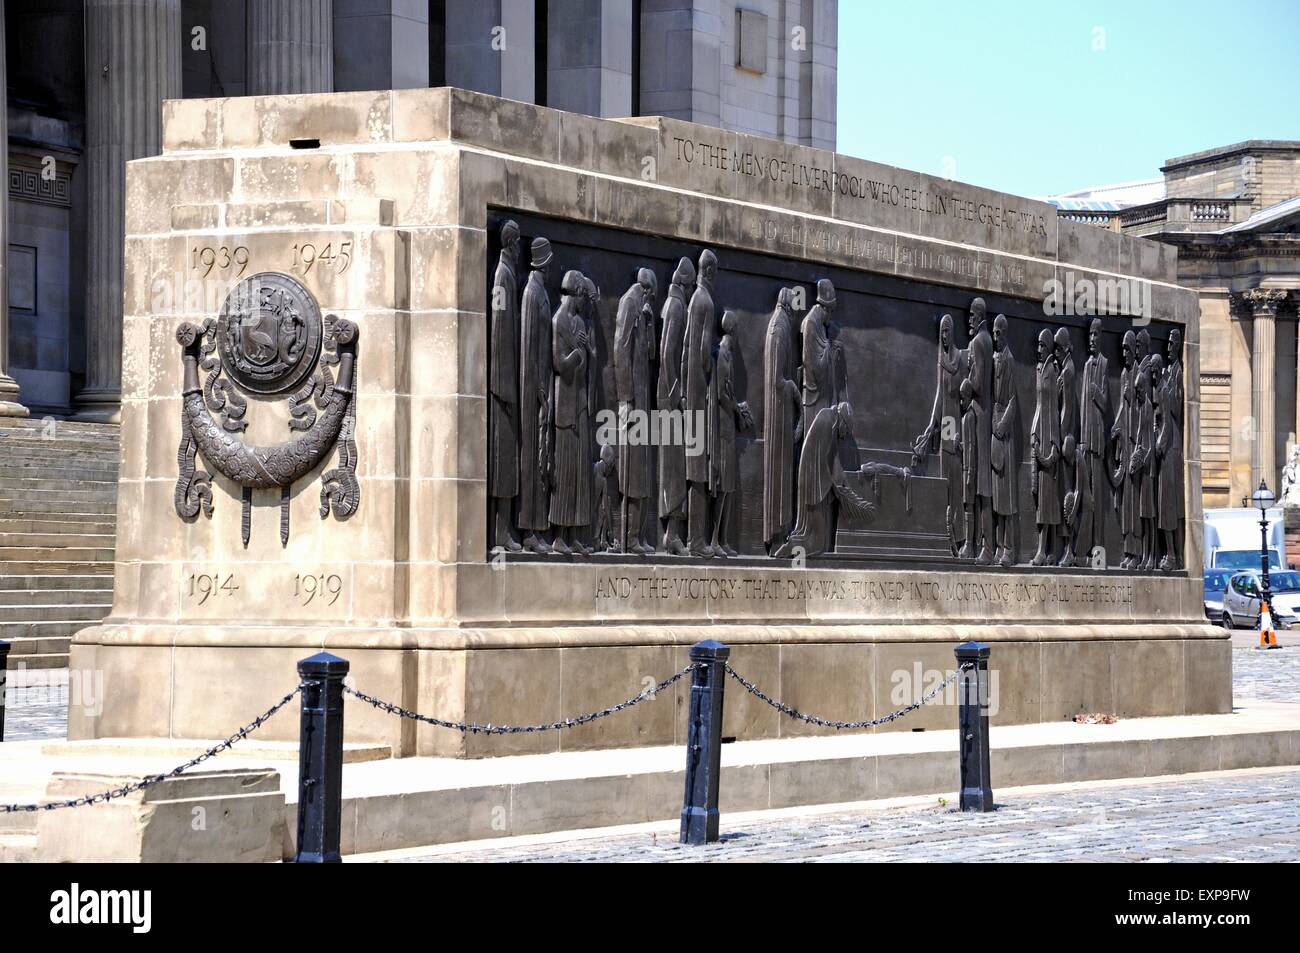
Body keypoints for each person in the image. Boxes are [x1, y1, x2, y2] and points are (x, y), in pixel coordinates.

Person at [914, 313, 967, 556]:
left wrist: (964, 434)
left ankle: (963, 539)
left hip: (960, 425)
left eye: (947, 330)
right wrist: (930, 428)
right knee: (945, 483)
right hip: (946, 424)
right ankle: (949, 537)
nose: (944, 335)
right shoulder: (941, 361)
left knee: (958, 486)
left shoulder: (962, 358)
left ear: (953, 331)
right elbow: (939, 395)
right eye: (941, 332)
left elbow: (970, 397)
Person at [549, 270, 594, 555]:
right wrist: (578, 353)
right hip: (564, 406)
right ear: (574, 293)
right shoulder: (558, 321)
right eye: (582, 296)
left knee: (578, 473)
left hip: (578, 404)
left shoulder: (578, 321)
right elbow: (559, 364)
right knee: (564, 471)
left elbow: (583, 364)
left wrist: (586, 352)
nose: (583, 302)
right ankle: (558, 537)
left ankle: (575, 534)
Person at [613, 268, 658, 554]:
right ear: (644, 289)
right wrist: (625, 399)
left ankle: (637, 536)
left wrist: (650, 322)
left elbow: (651, 353)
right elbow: (620, 349)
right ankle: (626, 538)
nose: (650, 299)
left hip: (643, 400)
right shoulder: (629, 302)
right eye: (650, 295)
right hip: (632, 402)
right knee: (630, 472)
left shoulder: (643, 310)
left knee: (641, 471)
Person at [517, 236, 555, 554]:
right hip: (533, 390)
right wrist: (539, 388)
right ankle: (528, 530)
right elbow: (529, 345)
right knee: (532, 457)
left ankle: (536, 528)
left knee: (542, 459)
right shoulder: (531, 293)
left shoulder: (540, 291)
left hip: (542, 386)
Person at [488, 220, 522, 552]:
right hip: (503, 387)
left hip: (508, 383)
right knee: (503, 462)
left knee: (509, 462)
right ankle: (500, 531)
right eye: (519, 243)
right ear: (511, 243)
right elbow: (499, 327)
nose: (520, 248)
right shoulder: (502, 276)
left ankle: (503, 529)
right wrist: (503, 386)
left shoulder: (509, 275)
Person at [657, 257, 694, 555]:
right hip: (671, 400)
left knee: (674, 464)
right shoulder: (678, 306)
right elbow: (668, 352)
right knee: (675, 466)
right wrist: (677, 394)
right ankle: (671, 535)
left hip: (668, 397)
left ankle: (672, 534)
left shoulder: (672, 304)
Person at [710, 311, 754, 557]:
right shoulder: (722, 355)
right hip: (722, 429)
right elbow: (721, 395)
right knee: (722, 487)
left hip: (728, 427)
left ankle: (723, 539)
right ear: (733, 332)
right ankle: (715, 539)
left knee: (728, 488)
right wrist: (738, 410)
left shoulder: (727, 354)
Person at [683, 249, 718, 556]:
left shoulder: (693, 299)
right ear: (709, 272)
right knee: (697, 472)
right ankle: (696, 541)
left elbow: (685, 349)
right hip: (699, 396)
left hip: (688, 394)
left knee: (692, 468)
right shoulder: (706, 301)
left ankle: (690, 538)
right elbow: (704, 354)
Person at [763, 287, 802, 552]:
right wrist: (795, 388)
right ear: (787, 305)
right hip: (780, 412)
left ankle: (782, 530)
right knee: (780, 470)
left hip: (783, 410)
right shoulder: (780, 326)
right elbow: (778, 379)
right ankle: (779, 532)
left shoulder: (781, 324)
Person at [959, 297, 994, 564]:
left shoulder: (978, 342)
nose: (968, 319)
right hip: (979, 418)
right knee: (978, 484)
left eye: (972, 315)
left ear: (980, 316)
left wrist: (966, 385)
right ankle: (978, 545)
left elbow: (979, 382)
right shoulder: (986, 341)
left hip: (981, 420)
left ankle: (984, 546)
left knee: (980, 484)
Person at [989, 315, 1018, 567]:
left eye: (999, 333)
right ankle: (998, 546)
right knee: (997, 496)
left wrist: (1001, 426)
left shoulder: (1008, 360)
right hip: (993, 428)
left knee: (1007, 498)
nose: (995, 338)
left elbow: (1013, 401)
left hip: (1005, 434)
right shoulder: (994, 358)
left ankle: (1010, 548)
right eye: (993, 333)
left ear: (1006, 334)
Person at [1030, 328, 1060, 566]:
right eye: (1037, 345)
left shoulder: (1051, 371)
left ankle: (1045, 549)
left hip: (1049, 442)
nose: (1038, 350)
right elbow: (1040, 406)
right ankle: (1046, 549)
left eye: (1042, 345)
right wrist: (1033, 432)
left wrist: (1053, 447)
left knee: (1047, 502)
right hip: (1040, 436)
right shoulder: (1040, 370)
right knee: (1041, 499)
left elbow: (1053, 412)